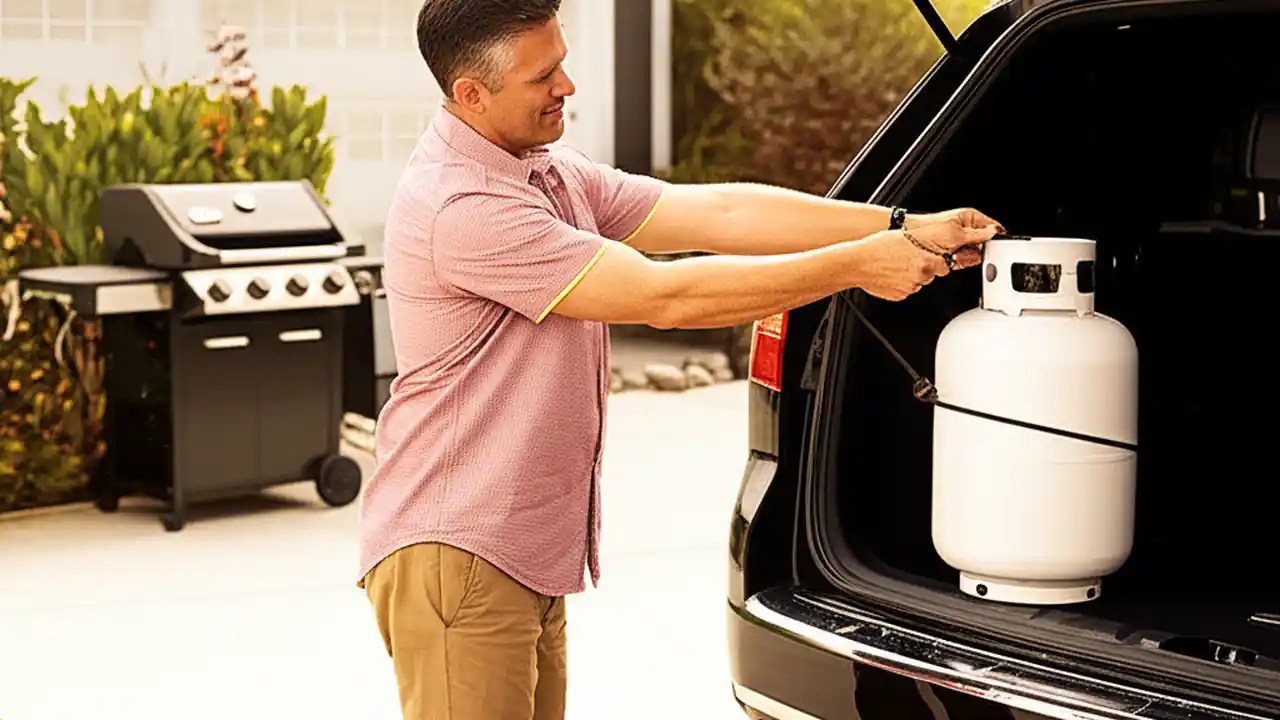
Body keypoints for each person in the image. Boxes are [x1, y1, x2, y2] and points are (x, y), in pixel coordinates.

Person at [357, 1, 1004, 718]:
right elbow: (664, 296)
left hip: (513, 557)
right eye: (543, 76)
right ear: (471, 94)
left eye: (562, 61)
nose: (567, 86)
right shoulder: (464, 206)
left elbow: (719, 213)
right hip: (462, 553)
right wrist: (858, 265)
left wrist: (898, 223)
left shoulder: (545, 172)